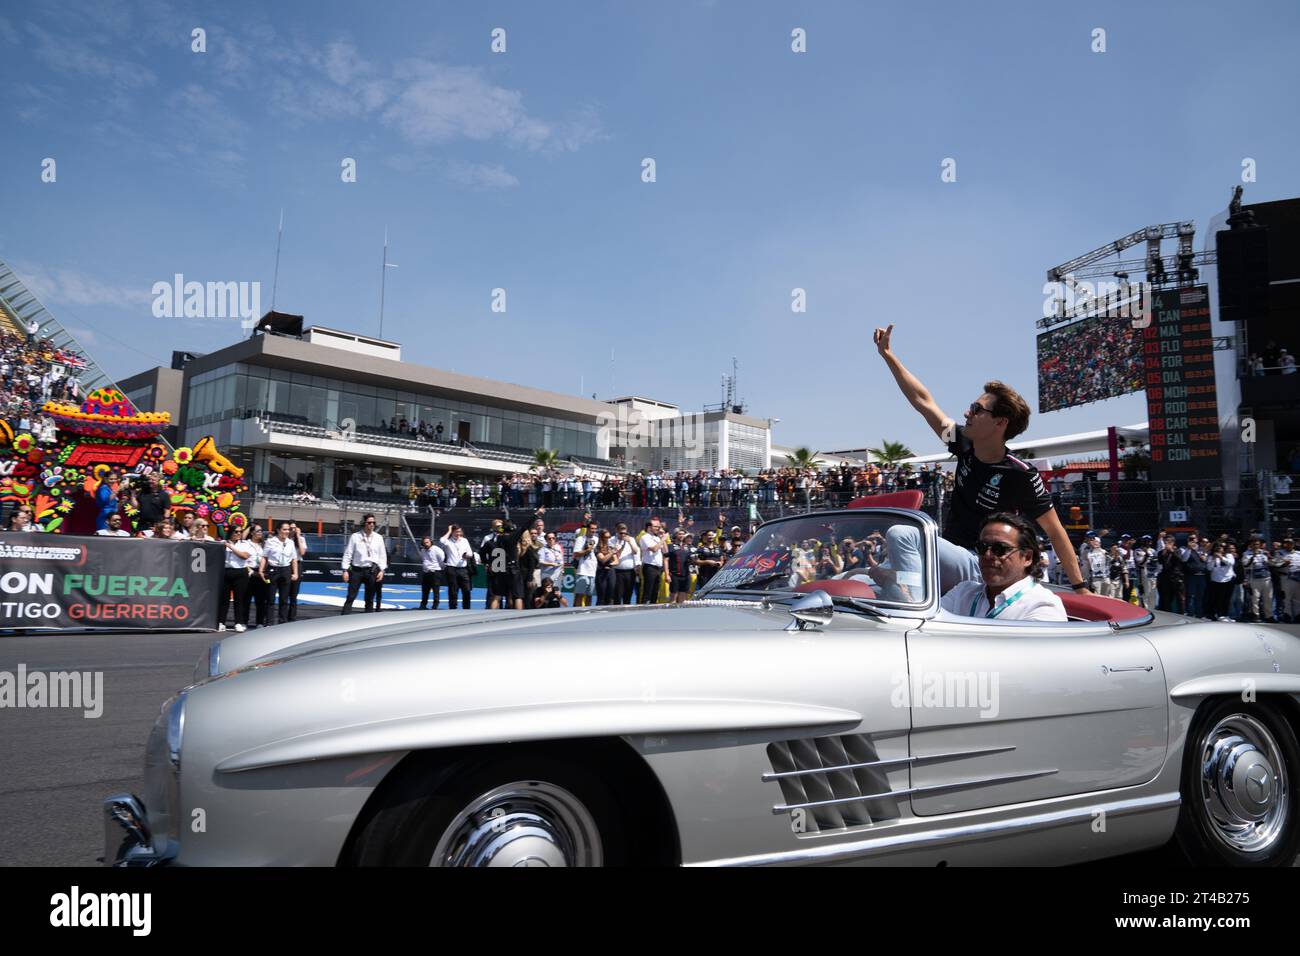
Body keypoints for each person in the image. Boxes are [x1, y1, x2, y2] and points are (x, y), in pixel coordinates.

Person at [873, 323, 1092, 596]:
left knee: (902, 534)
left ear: (1000, 422)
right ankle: (912, 596)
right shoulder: (963, 444)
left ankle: (919, 614)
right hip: (949, 556)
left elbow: (1056, 531)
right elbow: (923, 401)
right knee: (863, 577)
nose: (967, 412)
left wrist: (1080, 587)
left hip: (980, 565)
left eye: (977, 409)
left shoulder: (1020, 474)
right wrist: (888, 356)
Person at [939, 513, 1067, 622]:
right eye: (982, 547)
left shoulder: (1043, 606)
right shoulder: (962, 593)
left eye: (1000, 549)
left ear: (1027, 557)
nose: (988, 555)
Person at [341, 514, 385, 613]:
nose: (372, 524)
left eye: (374, 522)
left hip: (371, 570)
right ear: (364, 523)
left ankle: (368, 621)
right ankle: (344, 618)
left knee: (369, 599)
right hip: (357, 570)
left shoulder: (378, 538)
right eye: (369, 522)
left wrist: (382, 570)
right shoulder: (355, 536)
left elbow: (382, 555)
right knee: (351, 596)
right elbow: (348, 554)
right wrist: (345, 570)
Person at [262, 523, 300, 623]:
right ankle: (269, 622)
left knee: (284, 599)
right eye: (284, 529)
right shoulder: (270, 541)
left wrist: (295, 573)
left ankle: (282, 622)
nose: (287, 532)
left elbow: (294, 559)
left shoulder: (290, 543)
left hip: (286, 570)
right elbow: (264, 557)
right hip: (273, 570)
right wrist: (261, 571)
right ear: (278, 530)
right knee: (270, 598)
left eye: (288, 530)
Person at [220, 525, 253, 632]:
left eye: (240, 531)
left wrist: (231, 547)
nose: (239, 533)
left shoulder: (245, 544)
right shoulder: (222, 543)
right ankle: (221, 622)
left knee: (239, 599)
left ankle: (238, 622)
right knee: (224, 599)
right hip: (226, 572)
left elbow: (244, 556)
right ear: (231, 532)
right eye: (236, 531)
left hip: (240, 572)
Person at [439, 524, 475, 609]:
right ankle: (453, 607)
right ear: (452, 532)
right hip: (452, 568)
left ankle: (466, 608)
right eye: (456, 532)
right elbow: (441, 540)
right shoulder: (448, 541)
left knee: (466, 590)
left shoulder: (464, 540)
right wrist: (449, 530)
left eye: (459, 531)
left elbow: (470, 552)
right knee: (453, 590)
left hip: (463, 568)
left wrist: (467, 555)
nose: (458, 534)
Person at [242, 525, 268, 628]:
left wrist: (262, 571)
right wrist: (251, 572)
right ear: (252, 532)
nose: (260, 533)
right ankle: (244, 621)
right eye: (258, 531)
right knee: (246, 599)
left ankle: (260, 622)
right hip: (249, 572)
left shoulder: (265, 544)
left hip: (261, 573)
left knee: (261, 599)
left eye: (261, 531)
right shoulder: (246, 543)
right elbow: (243, 560)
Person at [1242, 538, 1274, 622]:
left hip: (1266, 578)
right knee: (1255, 598)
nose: (1256, 546)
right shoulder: (1246, 553)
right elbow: (1245, 565)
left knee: (1268, 598)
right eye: (1254, 544)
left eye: (1257, 544)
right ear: (1250, 545)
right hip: (1254, 578)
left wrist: (1269, 556)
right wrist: (1253, 556)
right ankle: (1256, 615)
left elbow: (1270, 563)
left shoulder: (1264, 552)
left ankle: (1269, 616)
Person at [571, 520, 599, 607]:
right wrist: (587, 550)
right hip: (582, 570)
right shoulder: (580, 539)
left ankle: (587, 613)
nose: (593, 530)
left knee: (589, 595)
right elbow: (575, 554)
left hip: (593, 571)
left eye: (595, 529)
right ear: (587, 529)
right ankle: (576, 613)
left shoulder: (597, 539)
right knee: (579, 594)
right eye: (592, 528)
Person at [286, 522, 309, 621]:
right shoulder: (284, 539)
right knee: (284, 593)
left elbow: (302, 552)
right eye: (290, 528)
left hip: (298, 564)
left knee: (294, 594)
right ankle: (282, 616)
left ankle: (292, 617)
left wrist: (298, 536)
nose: (292, 530)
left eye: (294, 528)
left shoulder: (301, 539)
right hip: (286, 565)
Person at [613, 523, 639, 604]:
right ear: (616, 531)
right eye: (621, 533)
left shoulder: (631, 539)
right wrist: (622, 545)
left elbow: (635, 552)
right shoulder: (612, 540)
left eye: (625, 533)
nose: (623, 535)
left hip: (630, 572)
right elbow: (617, 555)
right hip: (617, 571)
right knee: (617, 595)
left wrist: (629, 542)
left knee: (628, 595)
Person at [418, 535, 445, 610]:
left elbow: (442, 560)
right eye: (424, 543)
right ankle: (423, 605)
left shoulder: (437, 550)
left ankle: (435, 606)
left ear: (431, 542)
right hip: (426, 572)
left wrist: (438, 569)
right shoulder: (423, 550)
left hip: (435, 572)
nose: (426, 544)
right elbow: (423, 560)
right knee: (425, 590)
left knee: (436, 590)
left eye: (427, 542)